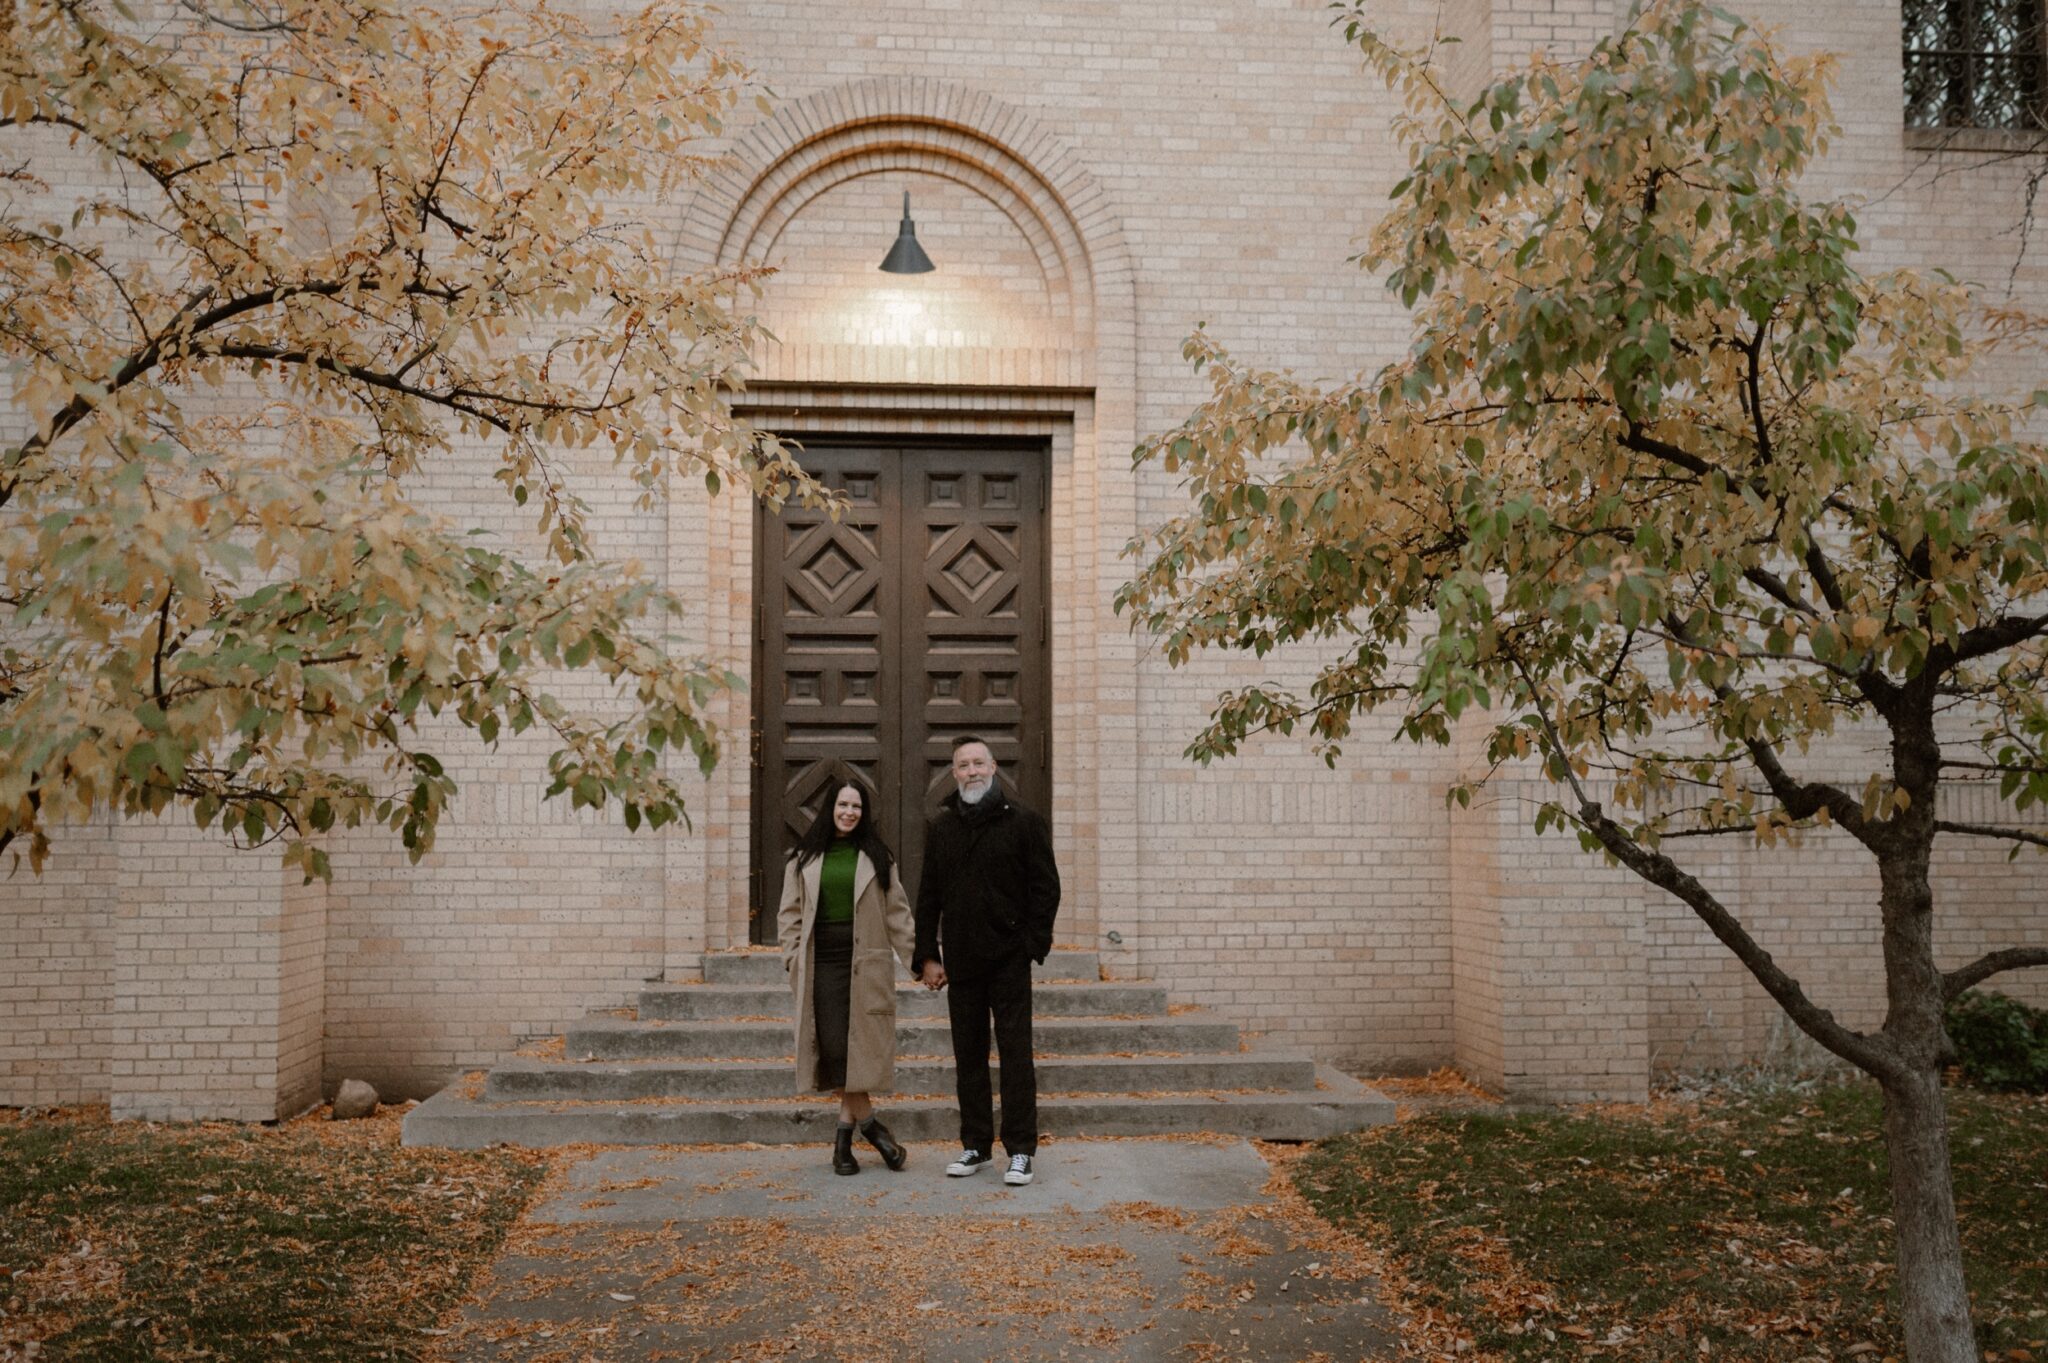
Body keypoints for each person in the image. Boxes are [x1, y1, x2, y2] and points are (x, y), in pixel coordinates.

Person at [913, 735, 1061, 1187]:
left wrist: (1031, 945)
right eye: (963, 765)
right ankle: (975, 1145)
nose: (972, 771)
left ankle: (1020, 1151)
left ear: (994, 768)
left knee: (1016, 1055)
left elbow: (1046, 889)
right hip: (963, 961)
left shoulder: (1025, 823)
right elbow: (928, 896)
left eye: (979, 763)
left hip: (1009, 960)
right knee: (968, 1055)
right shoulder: (941, 828)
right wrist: (927, 956)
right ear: (953, 773)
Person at [778, 777, 918, 1175]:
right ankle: (872, 1129)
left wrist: (919, 961)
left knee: (854, 1054)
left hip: (864, 964)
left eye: (856, 807)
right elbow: (788, 915)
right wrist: (792, 959)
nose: (849, 812)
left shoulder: (877, 857)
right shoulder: (803, 858)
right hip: (821, 964)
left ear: (864, 813)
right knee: (837, 1050)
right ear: (830, 809)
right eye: (842, 805)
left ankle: (843, 1145)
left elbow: (898, 915)